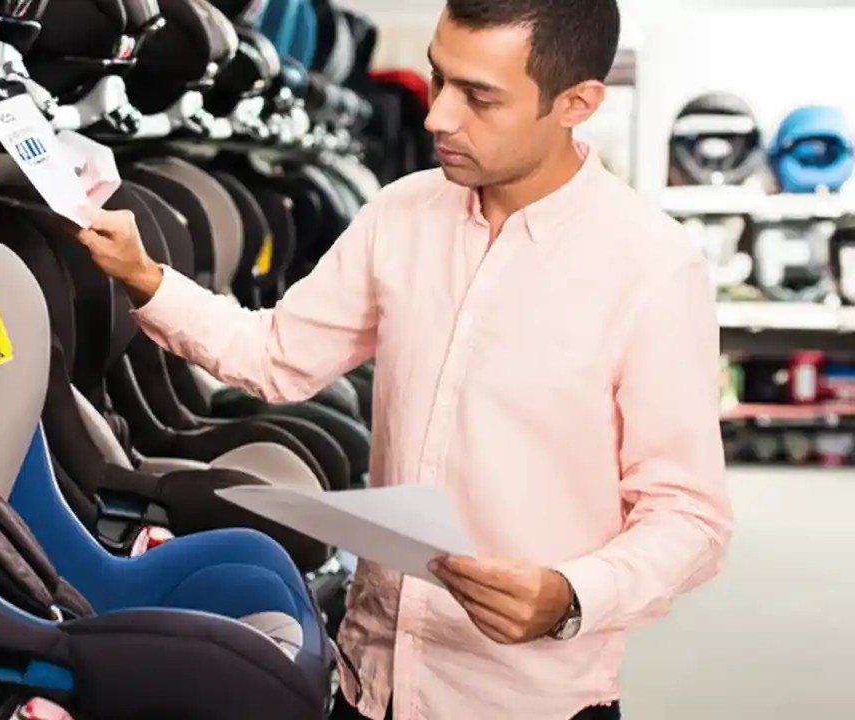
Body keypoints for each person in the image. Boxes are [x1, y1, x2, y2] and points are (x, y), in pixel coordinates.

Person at [71, 0, 734, 717]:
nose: (437, 117)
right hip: (371, 681)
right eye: (438, 80)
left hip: (524, 699)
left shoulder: (652, 267)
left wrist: (572, 596)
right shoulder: (403, 214)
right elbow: (277, 355)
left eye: (478, 95)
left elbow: (688, 515)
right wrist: (146, 276)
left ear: (576, 103)